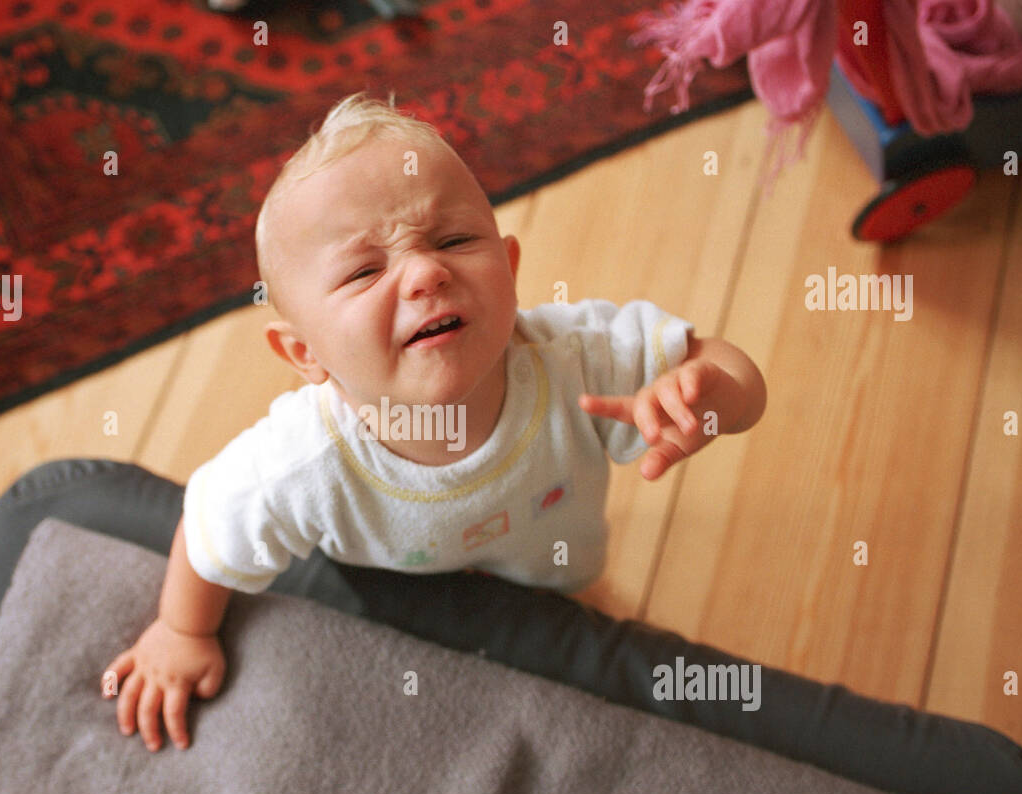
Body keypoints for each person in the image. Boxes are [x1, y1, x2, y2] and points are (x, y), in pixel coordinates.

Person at [102, 91, 767, 752]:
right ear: (305, 353)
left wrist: (711, 393)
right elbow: (212, 522)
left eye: (453, 239)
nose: (425, 270)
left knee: (575, 651)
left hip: (555, 571)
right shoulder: (301, 465)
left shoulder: (578, 363)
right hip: (394, 595)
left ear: (508, 270)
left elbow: (735, 380)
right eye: (365, 270)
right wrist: (182, 631)